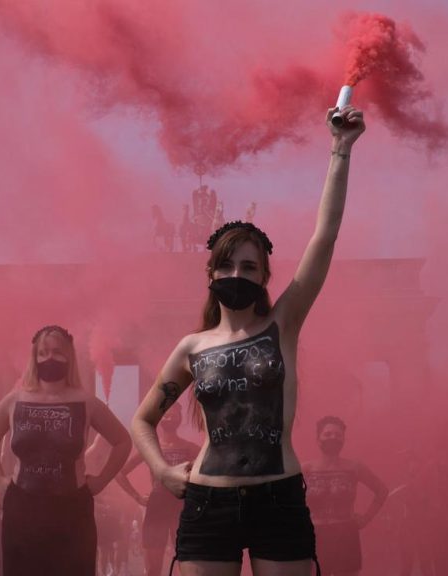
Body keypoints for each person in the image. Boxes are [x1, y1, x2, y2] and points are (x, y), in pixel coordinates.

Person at [130, 103, 366, 576]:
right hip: (207, 502)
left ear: (264, 277)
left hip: (277, 496)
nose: (237, 274)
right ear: (211, 272)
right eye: (228, 265)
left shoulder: (283, 324)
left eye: (249, 267)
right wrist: (158, 469)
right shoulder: (191, 348)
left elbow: (326, 235)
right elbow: (141, 420)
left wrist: (340, 149)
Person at [0, 324, 132, 576]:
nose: (49, 357)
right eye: (43, 352)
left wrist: (101, 481)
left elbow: (122, 441)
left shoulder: (86, 402)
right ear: (35, 357)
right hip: (23, 508)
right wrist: (0, 480)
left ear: (69, 356)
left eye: (57, 351)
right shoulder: (14, 401)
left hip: (71, 509)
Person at [115, 404, 201, 576]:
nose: (170, 417)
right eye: (166, 413)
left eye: (174, 413)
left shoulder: (191, 448)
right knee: (153, 567)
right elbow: (120, 473)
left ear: (180, 417)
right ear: (159, 418)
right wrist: (137, 497)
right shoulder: (151, 448)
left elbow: (208, 472)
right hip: (157, 507)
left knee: (185, 563)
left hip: (181, 508)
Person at [301, 415, 387, 576]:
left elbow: (382, 490)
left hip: (345, 533)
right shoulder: (306, 469)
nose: (333, 437)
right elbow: (284, 496)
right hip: (315, 535)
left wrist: (366, 518)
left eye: (338, 434)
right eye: (328, 434)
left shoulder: (354, 468)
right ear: (318, 438)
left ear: (343, 440)